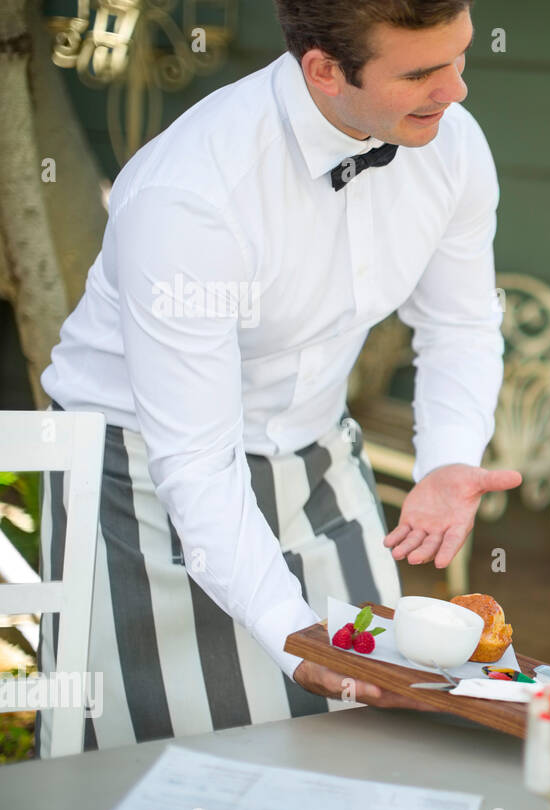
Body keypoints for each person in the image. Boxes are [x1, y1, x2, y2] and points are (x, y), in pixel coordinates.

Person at [35, 0, 520, 757]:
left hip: (320, 455)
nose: (455, 91)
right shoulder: (191, 196)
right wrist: (296, 640)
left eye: (459, 58)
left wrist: (448, 457)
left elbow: (460, 324)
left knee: (376, 728)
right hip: (139, 480)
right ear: (324, 70)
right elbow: (195, 461)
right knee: (176, 759)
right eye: (422, 72)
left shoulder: (451, 145)